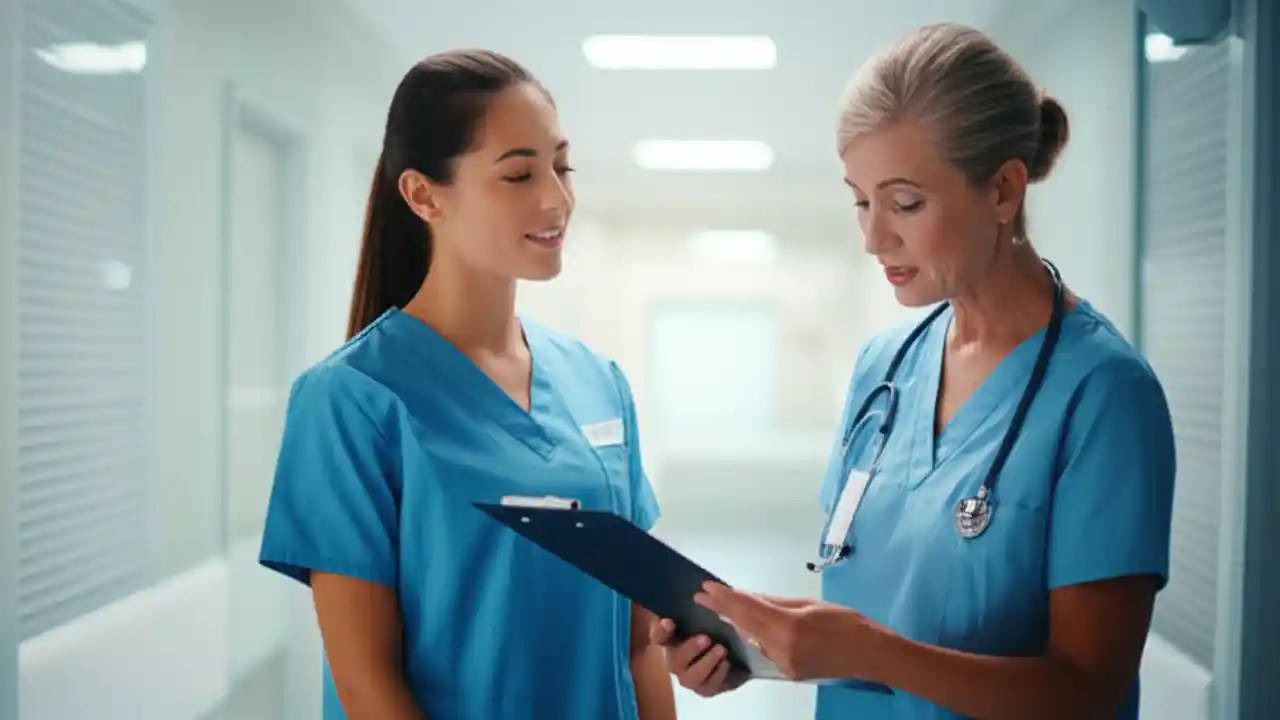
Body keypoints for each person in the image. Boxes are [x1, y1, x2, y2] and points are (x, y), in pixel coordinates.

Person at [652, 23, 1175, 720]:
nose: (873, 237)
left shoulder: (1103, 395)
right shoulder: (882, 369)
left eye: (904, 204)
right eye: (861, 201)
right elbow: (875, 605)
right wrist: (756, 644)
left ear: (1003, 191)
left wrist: (868, 651)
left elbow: (1087, 692)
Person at [258, 49, 676, 720]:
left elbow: (638, 649)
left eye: (561, 167)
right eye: (518, 175)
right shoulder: (351, 400)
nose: (556, 198)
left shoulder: (598, 383)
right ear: (424, 195)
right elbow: (369, 688)